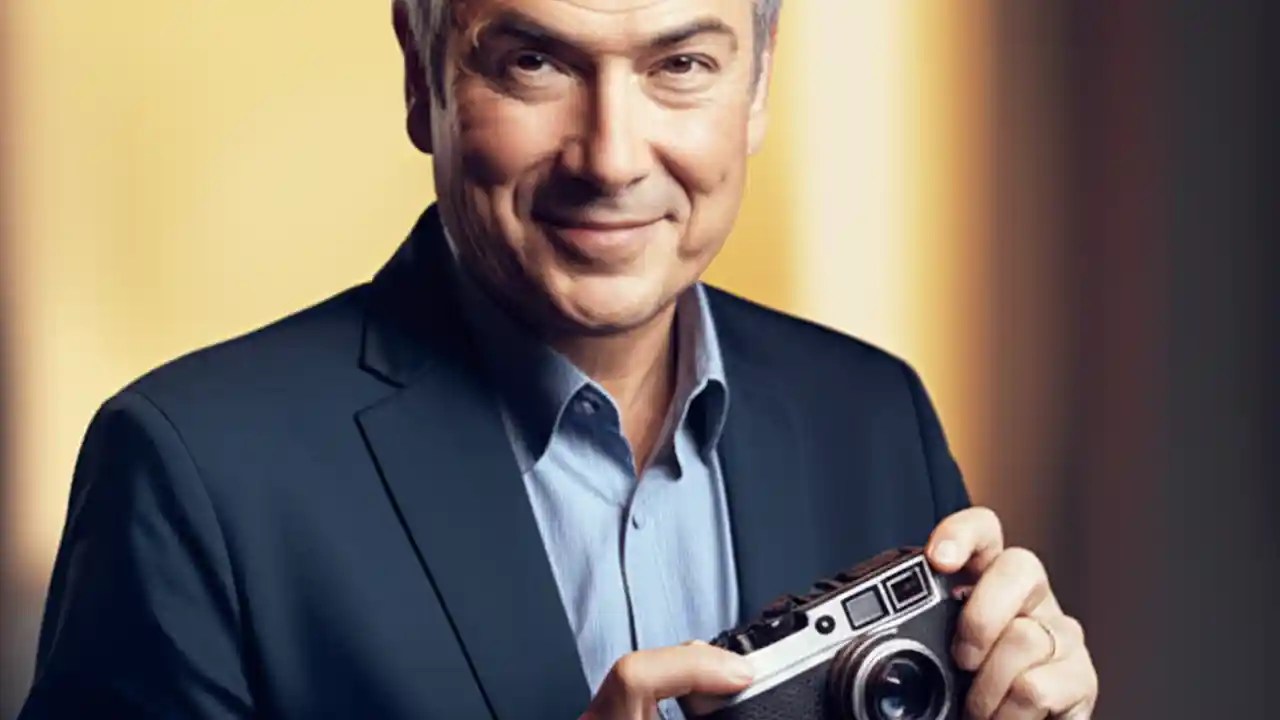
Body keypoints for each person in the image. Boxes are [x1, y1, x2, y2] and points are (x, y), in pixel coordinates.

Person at [20, 1, 1098, 718]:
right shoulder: (193, 468)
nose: (612, 158)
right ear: (419, 72)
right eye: (534, 61)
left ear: (758, 84)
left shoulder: (871, 410)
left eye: (681, 65)